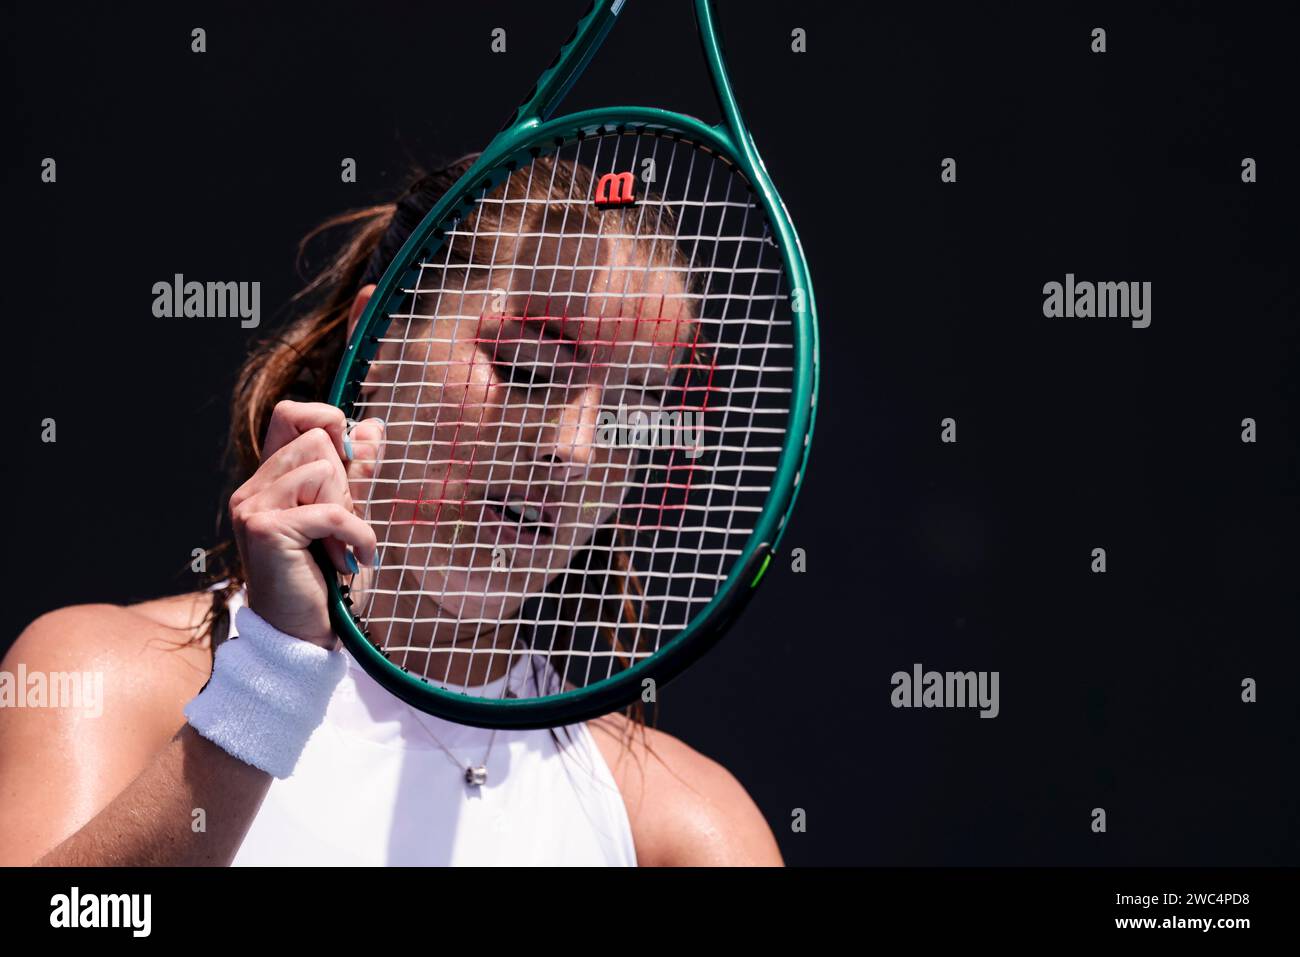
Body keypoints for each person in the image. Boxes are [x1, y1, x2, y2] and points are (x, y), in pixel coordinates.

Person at [0, 154, 783, 867]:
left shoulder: (687, 831)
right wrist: (268, 681)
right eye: (525, 367)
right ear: (374, 340)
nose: (573, 449)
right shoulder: (98, 678)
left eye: (629, 413)